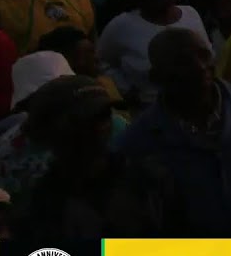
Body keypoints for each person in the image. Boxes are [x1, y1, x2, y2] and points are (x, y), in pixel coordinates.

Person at [114, 28, 231, 236]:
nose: (200, 66)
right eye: (182, 61)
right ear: (156, 76)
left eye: (204, 55)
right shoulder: (140, 140)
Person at [12, 75, 185, 238]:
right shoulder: (41, 205)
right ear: (56, 131)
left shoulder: (149, 180)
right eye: (88, 119)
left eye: (105, 115)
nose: (101, 126)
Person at [98, 0, 213, 108]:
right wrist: (125, 88)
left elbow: (208, 52)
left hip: (196, 100)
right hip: (149, 104)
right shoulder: (121, 25)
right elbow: (102, 61)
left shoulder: (191, 14)